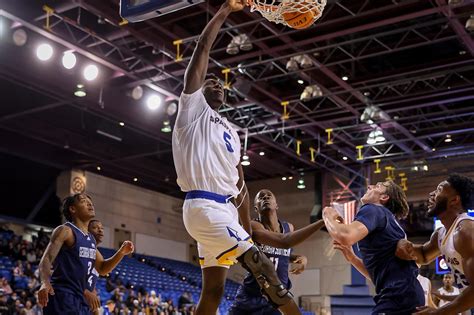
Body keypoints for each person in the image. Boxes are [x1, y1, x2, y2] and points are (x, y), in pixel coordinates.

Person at [171, 0, 300, 313]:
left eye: (221, 83)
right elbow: (202, 49)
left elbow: (241, 186)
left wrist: (245, 228)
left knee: (213, 291)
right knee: (262, 267)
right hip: (202, 206)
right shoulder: (192, 112)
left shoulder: (230, 128)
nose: (217, 83)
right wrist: (226, 10)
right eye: (210, 81)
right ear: (198, 91)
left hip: (227, 210)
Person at [324, 180, 424, 314]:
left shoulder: (374, 209)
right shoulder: (389, 221)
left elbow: (344, 235)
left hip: (399, 294)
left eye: (377, 186)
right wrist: (353, 258)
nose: (369, 186)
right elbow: (378, 277)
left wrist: (327, 214)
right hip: (406, 294)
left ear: (384, 197)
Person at [229, 189, 325, 314]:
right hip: (252, 296)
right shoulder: (253, 226)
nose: (265, 198)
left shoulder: (288, 227)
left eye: (269, 195)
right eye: (261, 197)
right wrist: (322, 222)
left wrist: (300, 258)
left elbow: (280, 252)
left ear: (276, 205)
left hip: (276, 296)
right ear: (256, 208)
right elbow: (283, 241)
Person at [37, 193, 134, 315]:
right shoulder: (65, 231)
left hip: (82, 301)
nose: (89, 204)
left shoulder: (91, 239)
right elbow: (46, 259)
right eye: (83, 201)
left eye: (90, 202)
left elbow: (103, 269)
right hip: (63, 296)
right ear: (73, 209)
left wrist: (121, 252)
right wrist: (45, 282)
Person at [396, 174, 474, 314]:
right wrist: (402, 243)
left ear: (454, 200)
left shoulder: (466, 231)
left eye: (439, 189)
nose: (432, 193)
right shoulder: (441, 234)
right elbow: (423, 255)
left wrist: (437, 312)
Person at [84, 219, 105, 314]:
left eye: (101, 228)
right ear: (87, 231)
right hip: (70, 300)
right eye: (95, 227)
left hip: (83, 305)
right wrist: (85, 291)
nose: (100, 230)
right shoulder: (82, 249)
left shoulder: (98, 255)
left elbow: (91, 286)